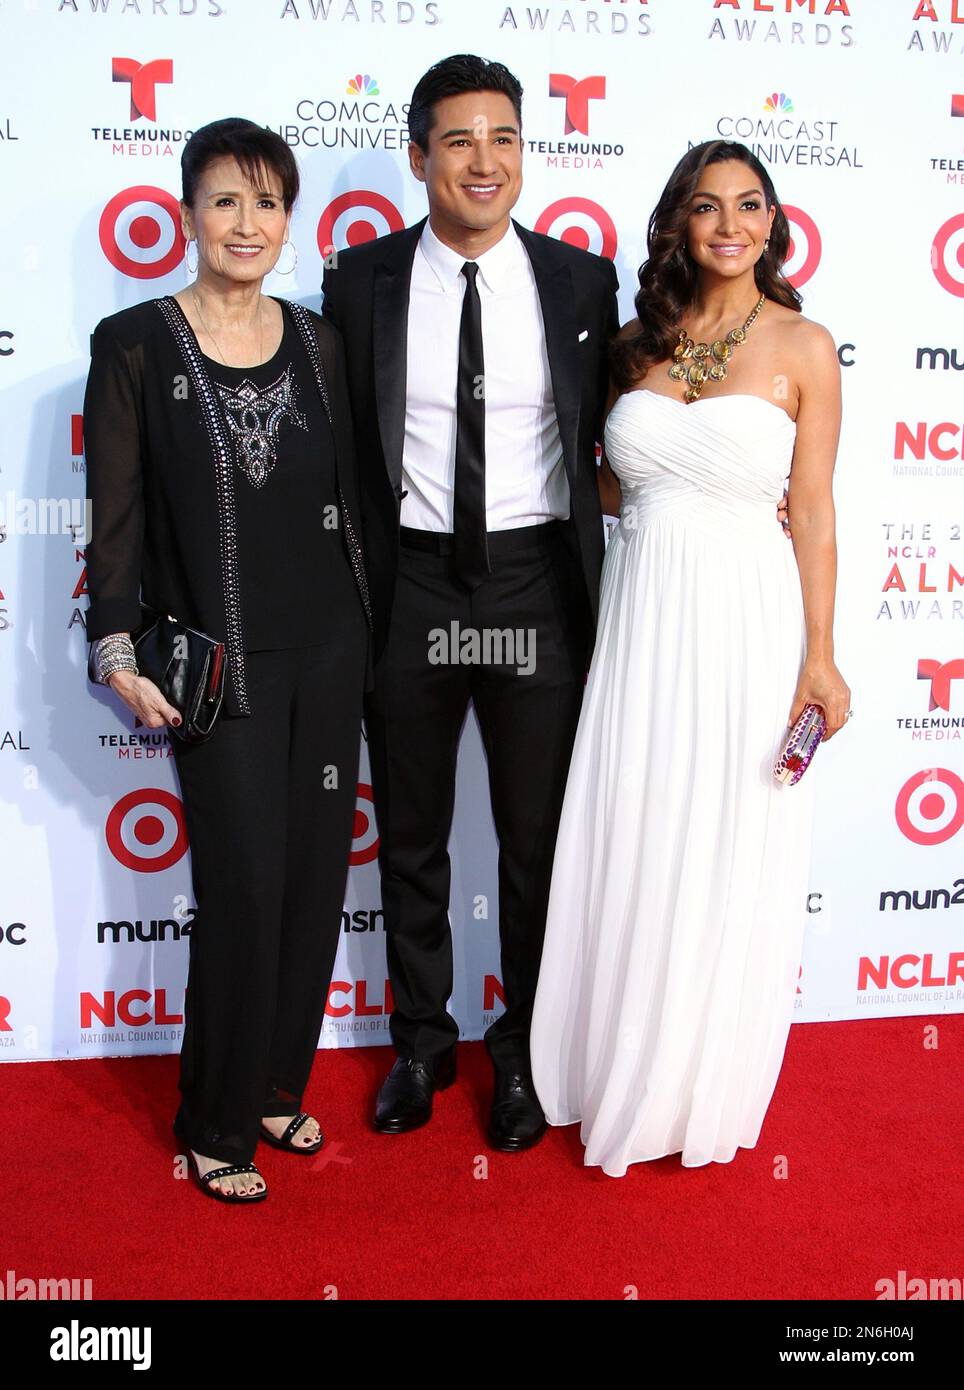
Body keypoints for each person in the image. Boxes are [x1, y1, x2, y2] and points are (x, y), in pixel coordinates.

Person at [529, 140, 852, 1175]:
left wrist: (822, 657)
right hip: (641, 617)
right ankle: (615, 1056)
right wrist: (666, 507)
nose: (728, 224)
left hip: (746, 622)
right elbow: (611, 486)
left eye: (748, 205)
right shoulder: (632, 345)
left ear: (772, 220)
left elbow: (812, 510)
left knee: (720, 837)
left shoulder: (803, 345)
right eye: (705, 206)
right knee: (639, 821)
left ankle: (694, 1077)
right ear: (677, 221)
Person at [322, 55, 619, 1151]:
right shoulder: (357, 283)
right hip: (409, 583)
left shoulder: (584, 281)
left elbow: (612, 434)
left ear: (523, 152)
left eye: (502, 137)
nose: (482, 160)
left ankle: (524, 1051)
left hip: (533, 582)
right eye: (458, 140)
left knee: (535, 841)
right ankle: (419, 1042)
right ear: (418, 157)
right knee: (410, 830)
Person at [84, 117, 371, 1202]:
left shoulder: (318, 342)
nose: (246, 224)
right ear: (188, 213)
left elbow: (351, 506)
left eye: (266, 202)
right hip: (218, 665)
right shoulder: (136, 345)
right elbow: (114, 517)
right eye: (224, 201)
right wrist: (117, 644)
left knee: (309, 881)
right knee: (244, 884)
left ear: (287, 218)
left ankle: (270, 1085)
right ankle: (210, 1119)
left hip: (330, 652)